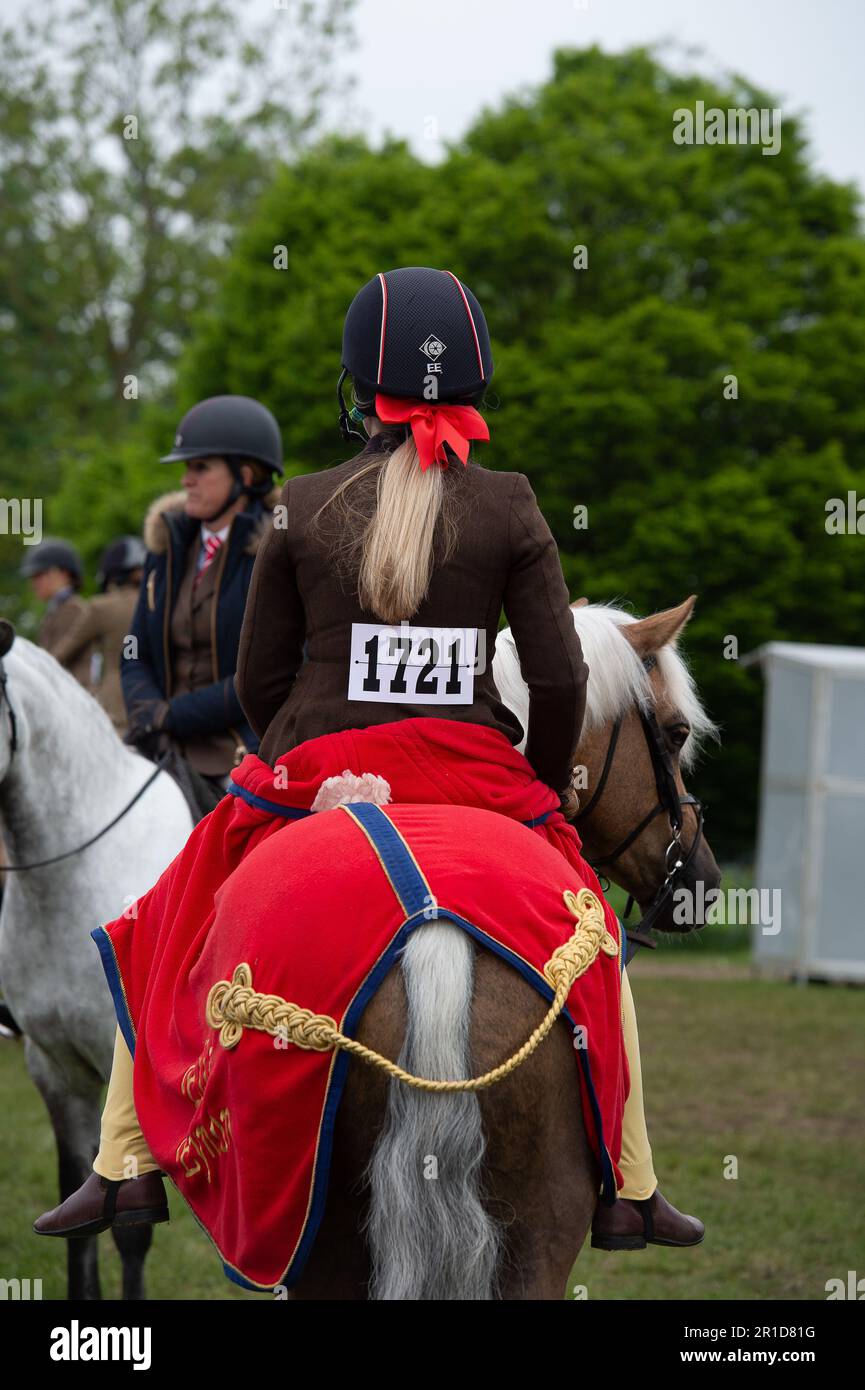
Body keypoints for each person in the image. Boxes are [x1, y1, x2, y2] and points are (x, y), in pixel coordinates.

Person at [35, 268, 702, 1256]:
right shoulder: (511, 504)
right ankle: (634, 1185)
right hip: (477, 775)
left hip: (324, 770)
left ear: (361, 391)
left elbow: (259, 677)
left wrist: (301, 753)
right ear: (473, 385)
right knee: (595, 936)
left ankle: (123, 1165)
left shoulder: (301, 505)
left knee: (166, 919)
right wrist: (534, 780)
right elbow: (558, 681)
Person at [120, 395, 283, 805]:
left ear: (244, 476)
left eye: (200, 467)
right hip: (160, 746)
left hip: (241, 755)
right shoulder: (167, 551)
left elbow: (263, 672)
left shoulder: (275, 555)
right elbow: (134, 648)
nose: (185, 480)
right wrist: (146, 711)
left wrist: (173, 715)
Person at [49, 536, 146, 736]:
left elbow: (61, 654)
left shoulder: (100, 608)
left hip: (117, 704)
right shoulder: (159, 604)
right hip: (157, 699)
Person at [20, 538, 93, 690]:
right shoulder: (56, 610)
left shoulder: (73, 609)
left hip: (73, 699)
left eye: (39, 574)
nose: (34, 583)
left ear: (62, 573)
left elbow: (54, 661)